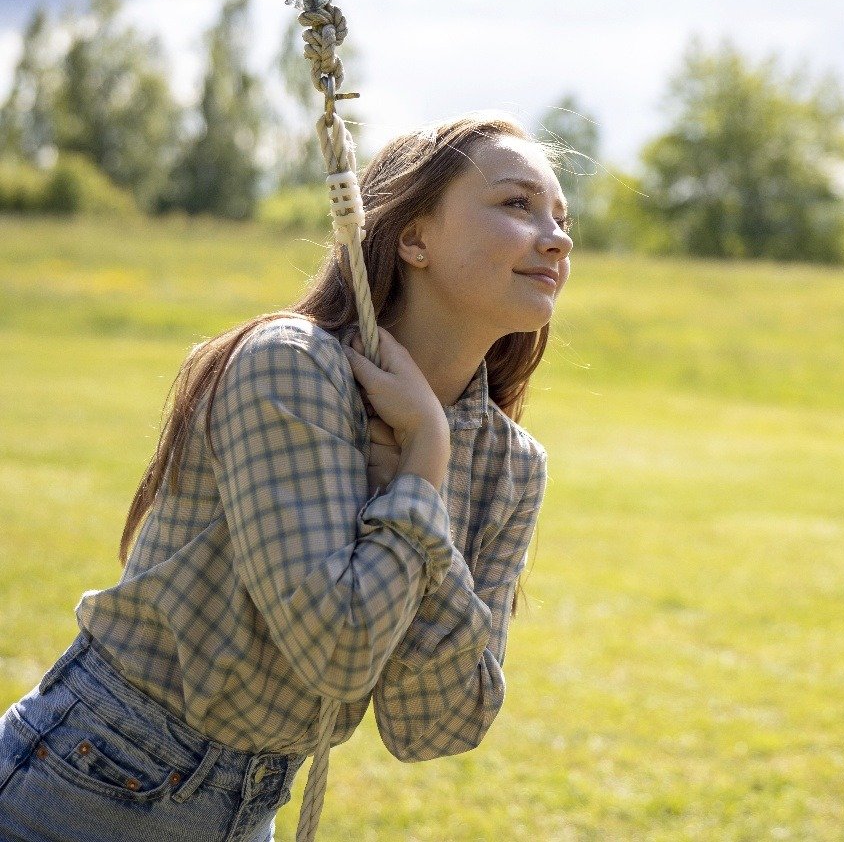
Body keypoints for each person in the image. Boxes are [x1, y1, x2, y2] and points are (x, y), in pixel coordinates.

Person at [0, 114, 571, 841]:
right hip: (89, 783)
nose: (557, 239)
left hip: (249, 805)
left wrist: (419, 494)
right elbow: (338, 652)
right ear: (414, 237)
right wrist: (425, 464)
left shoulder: (511, 465)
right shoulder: (291, 366)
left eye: (561, 218)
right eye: (517, 204)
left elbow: (439, 726)